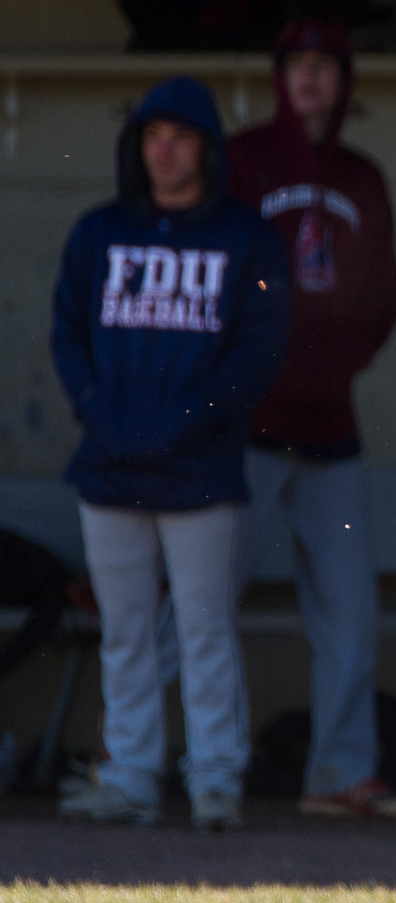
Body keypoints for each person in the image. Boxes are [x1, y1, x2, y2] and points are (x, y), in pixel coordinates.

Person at [49, 76, 290, 831]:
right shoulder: (97, 233)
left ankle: (216, 780)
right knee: (124, 634)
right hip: (110, 468)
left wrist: (187, 420)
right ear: (136, 146)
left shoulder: (245, 238)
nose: (164, 150)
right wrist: (95, 409)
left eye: (180, 137)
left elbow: (258, 351)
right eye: (152, 136)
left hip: (203, 473)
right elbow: (67, 336)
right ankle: (131, 779)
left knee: (204, 630)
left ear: (207, 150)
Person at [225, 19, 396, 820]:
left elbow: (385, 295)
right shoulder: (241, 160)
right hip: (245, 431)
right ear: (278, 75)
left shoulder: (363, 177)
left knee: (348, 609)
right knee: (201, 607)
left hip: (331, 432)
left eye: (324, 66)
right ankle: (151, 763)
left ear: (344, 81)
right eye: (296, 65)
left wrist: (336, 363)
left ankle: (338, 774)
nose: (309, 80)